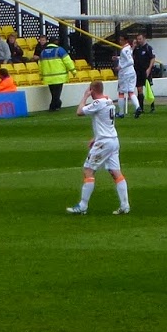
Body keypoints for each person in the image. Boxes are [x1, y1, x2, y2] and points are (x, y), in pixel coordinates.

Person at [66, 82, 129, 216]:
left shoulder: (98, 103)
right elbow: (105, 121)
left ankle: (82, 206)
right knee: (115, 172)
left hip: (104, 143)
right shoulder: (109, 100)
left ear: (92, 90)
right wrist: (95, 137)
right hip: (113, 140)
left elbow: (79, 112)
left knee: (88, 170)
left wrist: (84, 97)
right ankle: (125, 205)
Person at [39, 37, 76, 111]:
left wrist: (41, 75)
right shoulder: (60, 50)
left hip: (48, 76)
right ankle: (54, 105)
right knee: (57, 93)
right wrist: (73, 70)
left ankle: (55, 105)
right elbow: (67, 61)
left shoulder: (43, 52)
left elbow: (40, 65)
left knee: (53, 93)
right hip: (59, 76)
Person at [114, 32, 139, 118]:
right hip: (132, 72)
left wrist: (120, 67)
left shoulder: (124, 50)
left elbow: (130, 61)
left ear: (125, 40)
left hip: (125, 73)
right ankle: (138, 107)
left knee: (121, 92)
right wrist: (118, 58)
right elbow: (128, 58)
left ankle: (121, 113)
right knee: (131, 92)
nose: (120, 41)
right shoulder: (129, 48)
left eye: (121, 39)